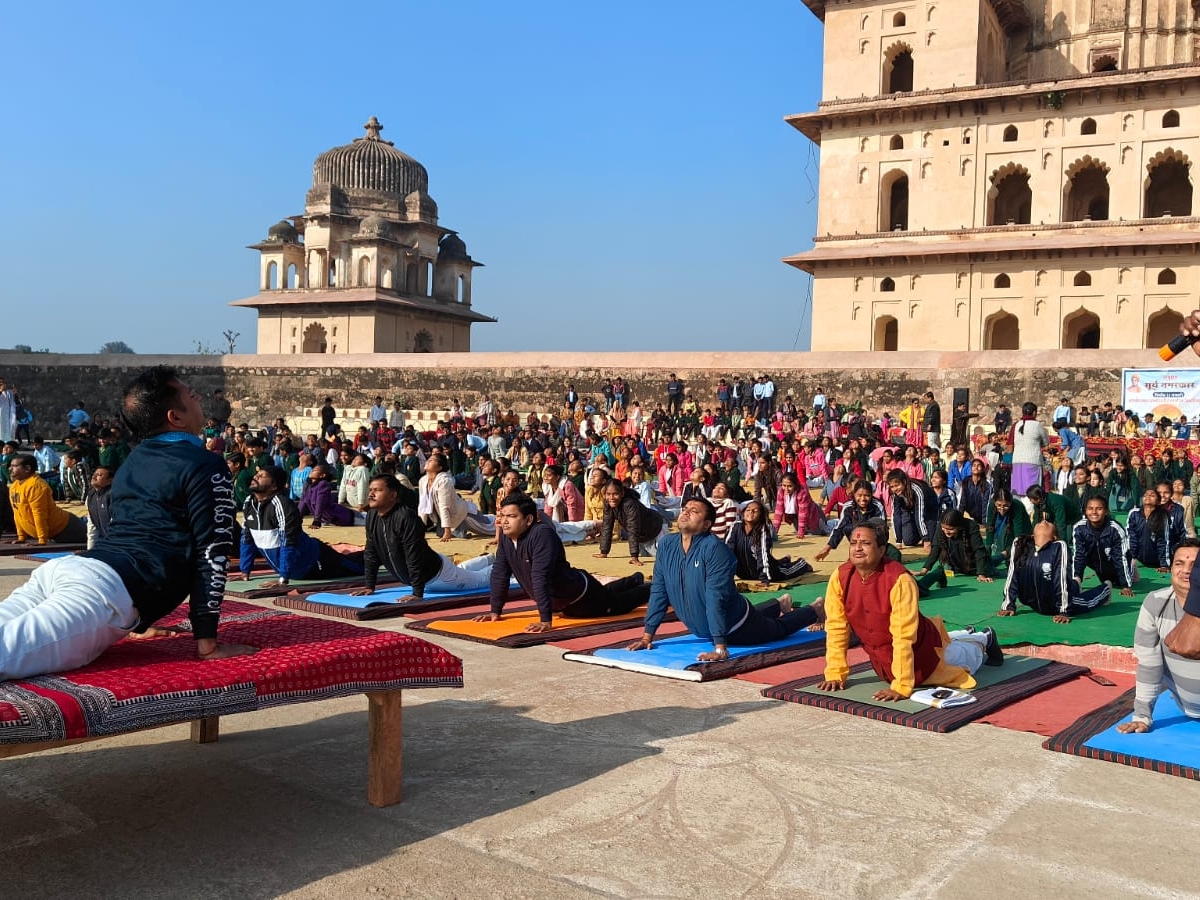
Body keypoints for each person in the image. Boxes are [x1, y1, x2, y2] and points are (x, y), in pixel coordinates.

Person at [0, 366, 252, 680]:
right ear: (175, 417)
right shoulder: (205, 464)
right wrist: (207, 643)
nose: (198, 397)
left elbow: (119, 527)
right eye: (191, 394)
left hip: (70, 571)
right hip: (100, 593)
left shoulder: (134, 460)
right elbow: (212, 552)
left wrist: (139, 621)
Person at [819, 521, 1002, 701]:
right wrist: (835, 672)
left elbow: (903, 635)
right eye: (853, 543)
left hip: (922, 652)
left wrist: (902, 685)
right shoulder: (840, 577)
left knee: (963, 660)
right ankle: (964, 633)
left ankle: (984, 638)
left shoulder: (899, 579)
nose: (857, 548)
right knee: (933, 653)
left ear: (882, 550)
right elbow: (836, 627)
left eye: (866, 543)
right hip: (885, 659)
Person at [625, 497, 824, 661]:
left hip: (736, 626)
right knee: (755, 615)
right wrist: (647, 635)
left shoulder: (714, 549)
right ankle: (779, 603)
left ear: (706, 525)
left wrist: (720, 647)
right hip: (708, 627)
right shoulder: (667, 545)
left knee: (778, 629)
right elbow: (660, 590)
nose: (686, 512)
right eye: (685, 508)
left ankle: (814, 609)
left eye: (694, 511)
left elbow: (715, 597)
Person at [475, 493, 651, 632]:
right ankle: (633, 580)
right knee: (608, 595)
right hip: (563, 602)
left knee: (618, 604)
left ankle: (654, 588)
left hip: (581, 597)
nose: (504, 521)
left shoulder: (542, 535)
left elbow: (540, 576)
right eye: (502, 515)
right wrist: (495, 610)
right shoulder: (506, 539)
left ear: (528, 519)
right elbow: (500, 574)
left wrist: (545, 620)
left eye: (511, 516)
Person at [349, 474, 491, 601]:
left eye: (377, 490)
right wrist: (369, 586)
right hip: (427, 577)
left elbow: (414, 555)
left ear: (393, 495)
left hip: (439, 577)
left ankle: (504, 564)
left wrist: (417, 594)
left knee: (482, 579)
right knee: (462, 571)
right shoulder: (373, 516)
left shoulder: (406, 517)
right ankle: (489, 558)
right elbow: (371, 552)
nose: (371, 494)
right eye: (370, 490)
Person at [1120, 539, 1200, 732]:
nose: (1187, 570)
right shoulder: (1155, 603)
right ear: (1171, 568)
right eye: (1179, 563)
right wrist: (1142, 716)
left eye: (1195, 565)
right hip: (1187, 711)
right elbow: (1149, 664)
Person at [235, 465, 363, 586]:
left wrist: (283, 578)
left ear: (274, 486)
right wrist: (245, 571)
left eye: (262, 475)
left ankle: (377, 552)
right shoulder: (248, 502)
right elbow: (246, 538)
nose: (256, 477)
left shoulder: (281, 504)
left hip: (314, 560)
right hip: (294, 570)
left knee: (359, 567)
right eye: (257, 474)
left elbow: (288, 540)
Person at [1000, 522, 1111, 623]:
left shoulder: (1058, 547)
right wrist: (1008, 605)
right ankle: (1075, 584)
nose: (1044, 521)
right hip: (1032, 601)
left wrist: (1063, 611)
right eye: (1040, 522)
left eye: (1049, 523)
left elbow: (1061, 579)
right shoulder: (1020, 544)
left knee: (1087, 601)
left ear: (1054, 537)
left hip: (1055, 603)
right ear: (1033, 535)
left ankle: (1106, 589)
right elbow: (1012, 575)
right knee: (1071, 586)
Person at [4, 453, 88, 546]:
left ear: (27, 468)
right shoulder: (14, 486)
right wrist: (21, 537)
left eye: (14, 466)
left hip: (67, 528)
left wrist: (42, 540)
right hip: (53, 532)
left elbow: (39, 514)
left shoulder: (36, 486)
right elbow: (17, 513)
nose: (10, 468)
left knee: (97, 540)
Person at [725, 499, 813, 585]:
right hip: (743, 574)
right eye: (748, 510)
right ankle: (784, 560)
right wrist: (726, 576)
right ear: (743, 513)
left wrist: (764, 578)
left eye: (755, 511)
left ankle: (802, 564)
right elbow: (727, 551)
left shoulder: (762, 531)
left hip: (768, 572)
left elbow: (762, 554)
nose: (750, 512)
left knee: (787, 571)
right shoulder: (735, 527)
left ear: (761, 516)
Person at [913, 509, 993, 597]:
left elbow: (979, 550)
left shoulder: (971, 526)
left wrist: (981, 574)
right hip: (958, 565)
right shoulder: (940, 526)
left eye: (950, 529)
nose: (946, 531)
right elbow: (936, 548)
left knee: (992, 561)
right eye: (944, 528)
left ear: (959, 526)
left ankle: (1003, 554)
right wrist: (924, 570)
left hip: (974, 565)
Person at [417, 453, 492, 541]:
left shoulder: (444, 481)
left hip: (462, 513)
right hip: (446, 516)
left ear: (439, 467)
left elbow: (444, 505)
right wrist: (420, 530)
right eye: (428, 459)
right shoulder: (423, 481)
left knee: (488, 526)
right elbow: (422, 506)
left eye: (432, 460)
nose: (428, 461)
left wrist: (447, 531)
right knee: (441, 533)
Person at [1071, 496, 1134, 597]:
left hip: (1113, 562)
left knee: (1116, 582)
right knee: (1075, 558)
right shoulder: (1079, 528)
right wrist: (1076, 581)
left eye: (1099, 509)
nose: (1094, 512)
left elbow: (1120, 558)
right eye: (1090, 508)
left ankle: (1132, 568)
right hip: (1096, 563)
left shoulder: (1115, 529)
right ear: (1085, 511)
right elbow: (1079, 556)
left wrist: (1126, 586)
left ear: (1106, 511)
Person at [595, 479, 667, 566]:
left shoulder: (630, 504)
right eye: (608, 494)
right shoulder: (608, 504)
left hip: (656, 528)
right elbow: (607, 526)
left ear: (622, 493)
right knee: (646, 556)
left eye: (615, 494)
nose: (611, 498)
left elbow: (633, 528)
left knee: (664, 558)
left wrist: (634, 557)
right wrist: (604, 551)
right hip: (641, 535)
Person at [815, 479, 887, 562]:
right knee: (847, 528)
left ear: (871, 495)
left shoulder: (878, 506)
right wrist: (827, 549)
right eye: (859, 495)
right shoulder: (848, 506)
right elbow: (839, 528)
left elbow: (882, 530)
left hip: (874, 540)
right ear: (854, 495)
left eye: (867, 495)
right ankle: (857, 551)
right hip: (858, 537)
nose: (863, 499)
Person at [1127, 488, 1180, 575]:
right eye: (1146, 495)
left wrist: (1164, 565)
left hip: (1156, 560)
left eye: (1152, 495)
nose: (1148, 496)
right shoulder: (1134, 514)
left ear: (1159, 502)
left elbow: (1164, 541)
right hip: (1139, 560)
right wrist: (1131, 558)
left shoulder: (1163, 517)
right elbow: (1131, 537)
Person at [884, 469, 938, 548]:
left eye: (897, 485)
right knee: (909, 541)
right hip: (909, 509)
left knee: (931, 541)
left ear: (904, 482)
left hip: (929, 510)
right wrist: (898, 541)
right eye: (892, 486)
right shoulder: (894, 493)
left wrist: (926, 538)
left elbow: (919, 515)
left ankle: (931, 530)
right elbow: (896, 515)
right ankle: (921, 532)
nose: (895, 489)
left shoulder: (917, 490)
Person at [983, 487, 1031, 565]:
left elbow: (1018, 535)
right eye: (999, 505)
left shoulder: (1017, 506)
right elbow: (989, 528)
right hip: (1004, 525)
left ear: (1010, 502)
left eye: (1006, 505)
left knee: (1015, 555)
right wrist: (987, 552)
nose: (1002, 508)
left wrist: (1007, 553)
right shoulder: (992, 505)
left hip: (1022, 529)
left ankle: (1007, 555)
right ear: (994, 502)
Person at [1010, 402, 1048, 495]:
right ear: (1034, 413)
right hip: (1033, 461)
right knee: (1032, 493)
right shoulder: (1037, 425)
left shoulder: (1015, 425)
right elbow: (1046, 443)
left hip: (1017, 461)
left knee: (1017, 492)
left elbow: (1009, 444)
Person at [85, 464, 115, 550]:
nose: (94, 476)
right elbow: (92, 529)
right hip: (104, 541)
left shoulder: (113, 496)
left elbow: (117, 528)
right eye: (94, 474)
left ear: (110, 481)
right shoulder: (90, 496)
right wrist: (90, 551)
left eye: (100, 475)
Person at [0, 379, 15, 444]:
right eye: (0, 383)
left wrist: (15, 394)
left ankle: (7, 445)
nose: (2, 384)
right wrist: (0, 391)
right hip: (1, 416)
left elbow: (16, 403)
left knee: (8, 434)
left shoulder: (9, 392)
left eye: (3, 382)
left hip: (8, 417)